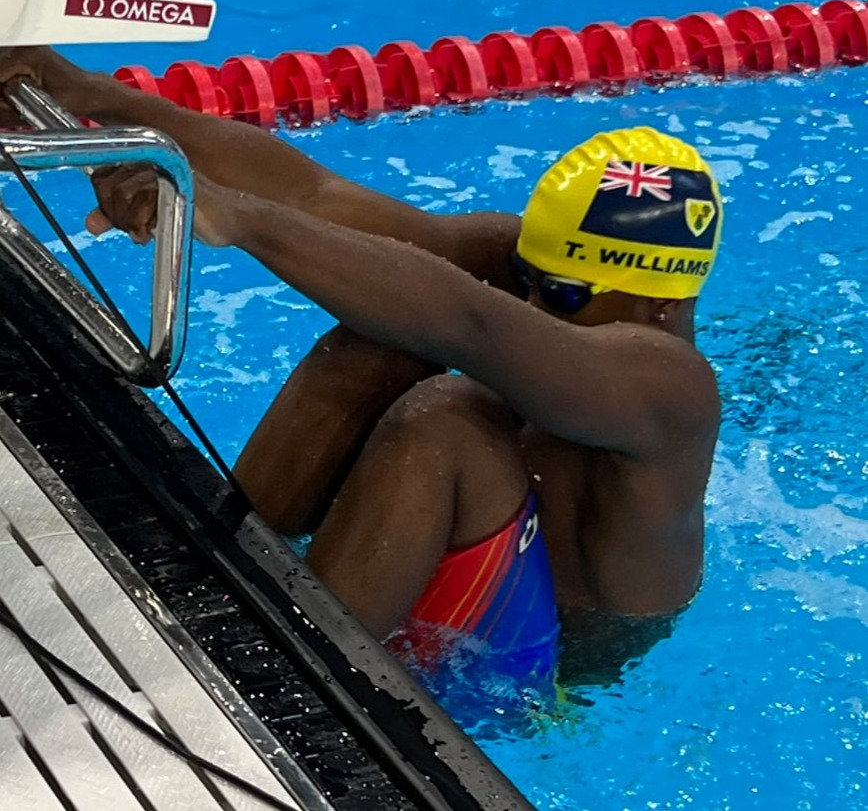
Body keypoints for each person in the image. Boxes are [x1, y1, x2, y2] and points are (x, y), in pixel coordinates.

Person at [0, 47, 722, 681]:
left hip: (538, 673)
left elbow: (466, 319)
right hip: (445, 593)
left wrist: (237, 219)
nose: (530, 298)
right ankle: (218, 564)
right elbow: (318, 195)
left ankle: (281, 681)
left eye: (560, 294)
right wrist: (92, 95)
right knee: (382, 338)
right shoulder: (553, 286)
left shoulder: (669, 390)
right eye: (526, 275)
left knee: (448, 417)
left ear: (659, 307)